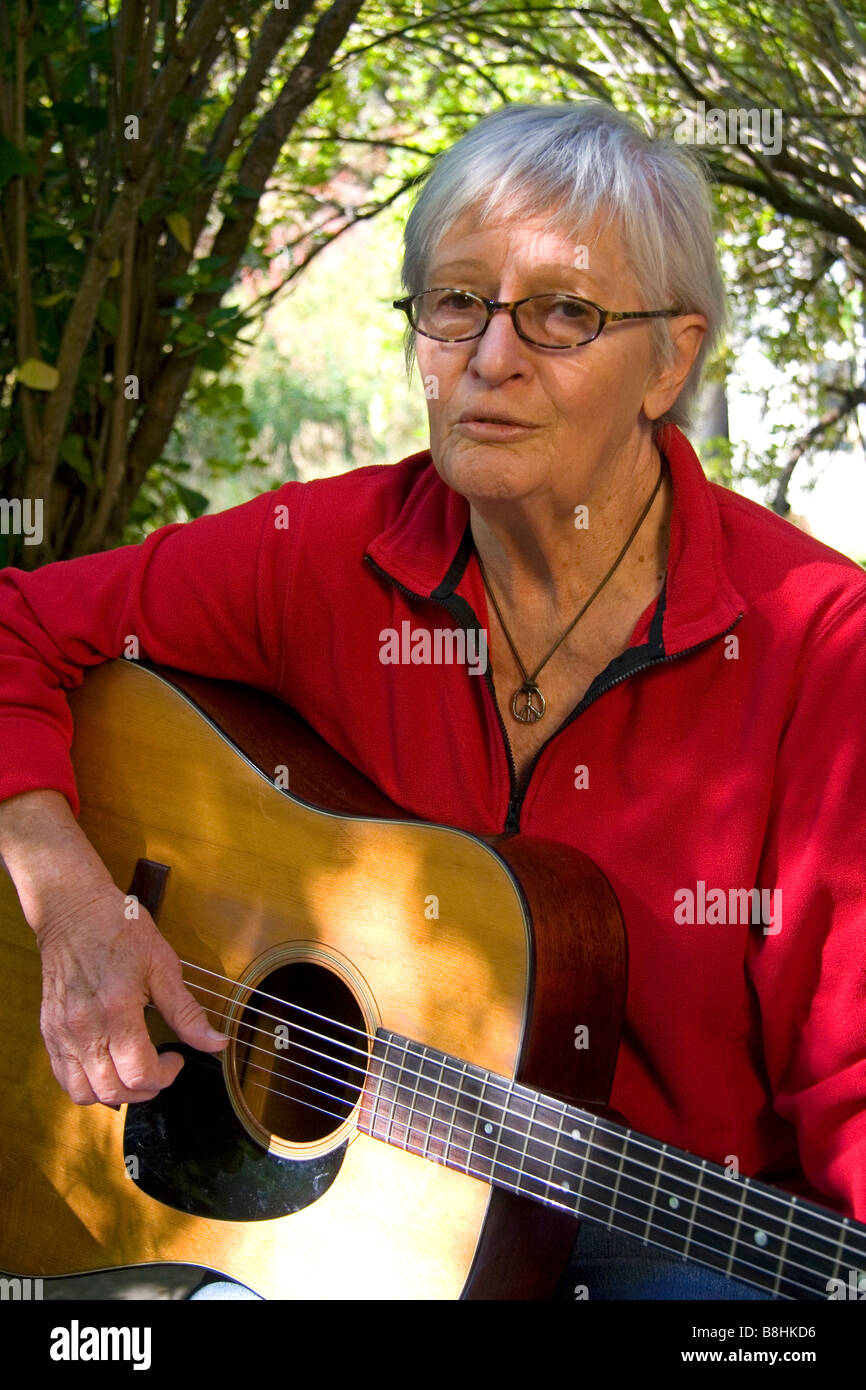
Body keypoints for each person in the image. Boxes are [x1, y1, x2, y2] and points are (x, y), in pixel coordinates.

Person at [0, 100, 864, 1301]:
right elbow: (20, 623)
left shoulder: (818, 642)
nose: (488, 357)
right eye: (454, 302)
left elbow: (854, 1076)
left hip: (666, 1240)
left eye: (563, 312)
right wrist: (72, 900)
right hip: (342, 1239)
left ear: (669, 358)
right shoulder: (323, 550)